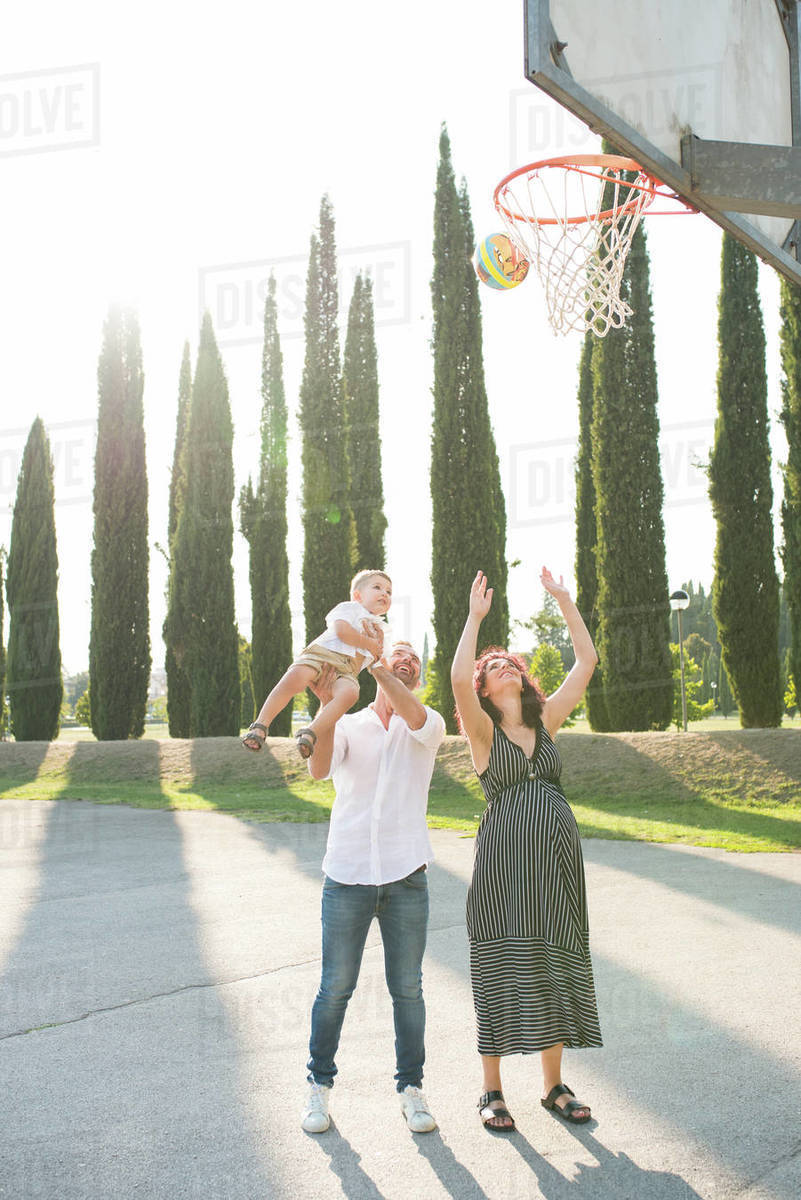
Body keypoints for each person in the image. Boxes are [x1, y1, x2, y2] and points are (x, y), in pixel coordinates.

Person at [450, 567, 602, 1132]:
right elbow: (458, 680)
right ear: (486, 689)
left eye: (506, 661)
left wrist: (565, 600)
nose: (499, 667)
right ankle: (491, 1091)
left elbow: (585, 663)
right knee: (500, 963)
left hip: (558, 868)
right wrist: (474, 620)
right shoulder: (483, 733)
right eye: (491, 667)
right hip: (503, 870)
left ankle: (553, 1086)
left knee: (553, 960)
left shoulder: (547, 723)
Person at [300, 641, 446, 1135]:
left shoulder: (428, 722)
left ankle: (411, 1089)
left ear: (418, 678)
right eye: (397, 653)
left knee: (407, 989)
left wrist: (378, 669)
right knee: (336, 987)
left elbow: (408, 708)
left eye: (412, 661)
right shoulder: (347, 723)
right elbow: (318, 769)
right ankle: (318, 1086)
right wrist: (327, 707)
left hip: (407, 876)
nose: (405, 660)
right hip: (346, 876)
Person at [242, 569, 391, 759]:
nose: (384, 593)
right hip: (322, 655)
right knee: (294, 678)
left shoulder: (382, 630)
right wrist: (370, 644)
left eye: (389, 592)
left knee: (350, 694)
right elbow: (342, 632)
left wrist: (379, 652)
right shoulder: (351, 609)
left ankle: (311, 732)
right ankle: (260, 725)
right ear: (357, 596)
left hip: (346, 672)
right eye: (377, 587)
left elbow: (380, 663)